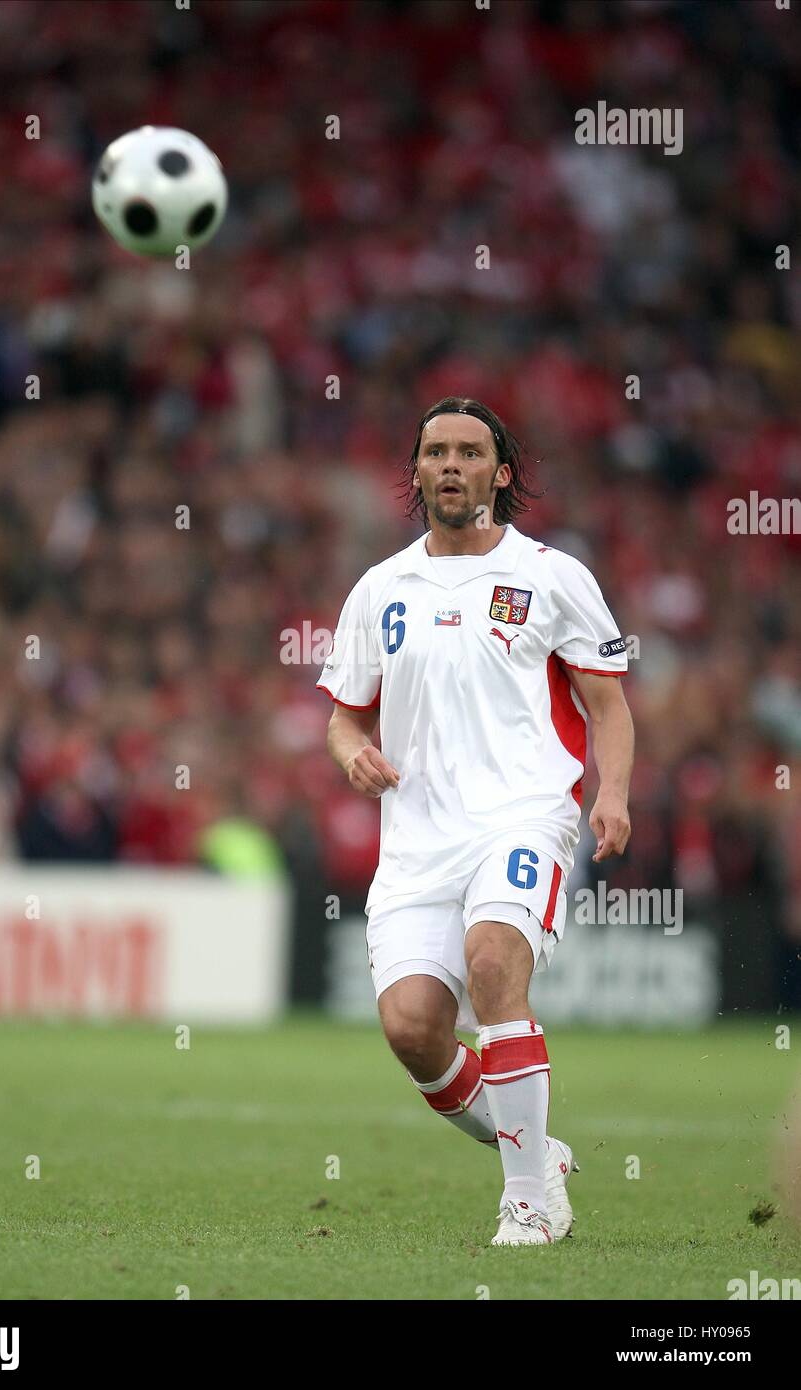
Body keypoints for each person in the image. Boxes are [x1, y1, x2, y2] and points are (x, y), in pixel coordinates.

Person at [317, 397, 634, 1246]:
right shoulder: (380, 589)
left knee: (493, 964)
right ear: (415, 472)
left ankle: (527, 1201)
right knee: (412, 1028)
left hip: (523, 818)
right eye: (433, 452)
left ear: (501, 473)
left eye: (467, 451)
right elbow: (345, 715)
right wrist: (351, 752)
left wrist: (611, 794)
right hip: (417, 839)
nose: (449, 464)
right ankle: (537, 1154)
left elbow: (607, 707)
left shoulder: (553, 576)